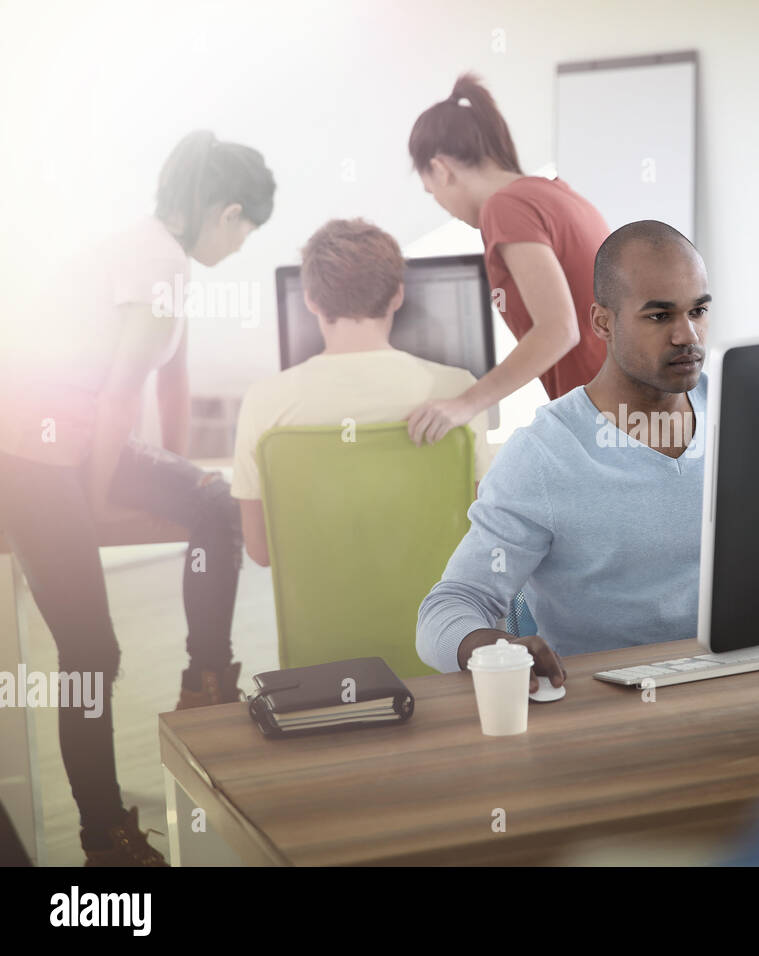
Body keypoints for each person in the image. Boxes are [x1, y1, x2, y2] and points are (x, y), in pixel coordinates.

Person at [0, 130, 274, 865]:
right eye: (248, 230)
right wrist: (98, 508)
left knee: (210, 503)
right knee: (91, 650)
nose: (244, 245)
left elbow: (167, 383)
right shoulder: (157, 264)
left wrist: (175, 479)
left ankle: (205, 683)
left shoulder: (154, 255)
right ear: (228, 212)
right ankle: (104, 837)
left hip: (78, 443)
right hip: (31, 456)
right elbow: (121, 396)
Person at [416, 220, 709, 686]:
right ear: (602, 322)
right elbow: (448, 607)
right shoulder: (542, 456)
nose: (687, 336)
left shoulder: (743, 407)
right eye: (659, 316)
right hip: (609, 710)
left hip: (747, 682)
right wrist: (493, 649)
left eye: (697, 311)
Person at [231, 218, 493, 564]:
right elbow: (479, 533)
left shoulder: (264, 401)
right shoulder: (458, 390)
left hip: (322, 618)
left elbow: (261, 551)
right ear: (398, 295)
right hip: (437, 615)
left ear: (310, 299)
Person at [404, 72, 612, 446]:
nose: (441, 204)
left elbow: (559, 330)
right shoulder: (554, 194)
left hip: (609, 423)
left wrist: (465, 404)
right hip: (629, 417)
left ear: (440, 169)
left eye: (430, 190)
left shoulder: (504, 208)